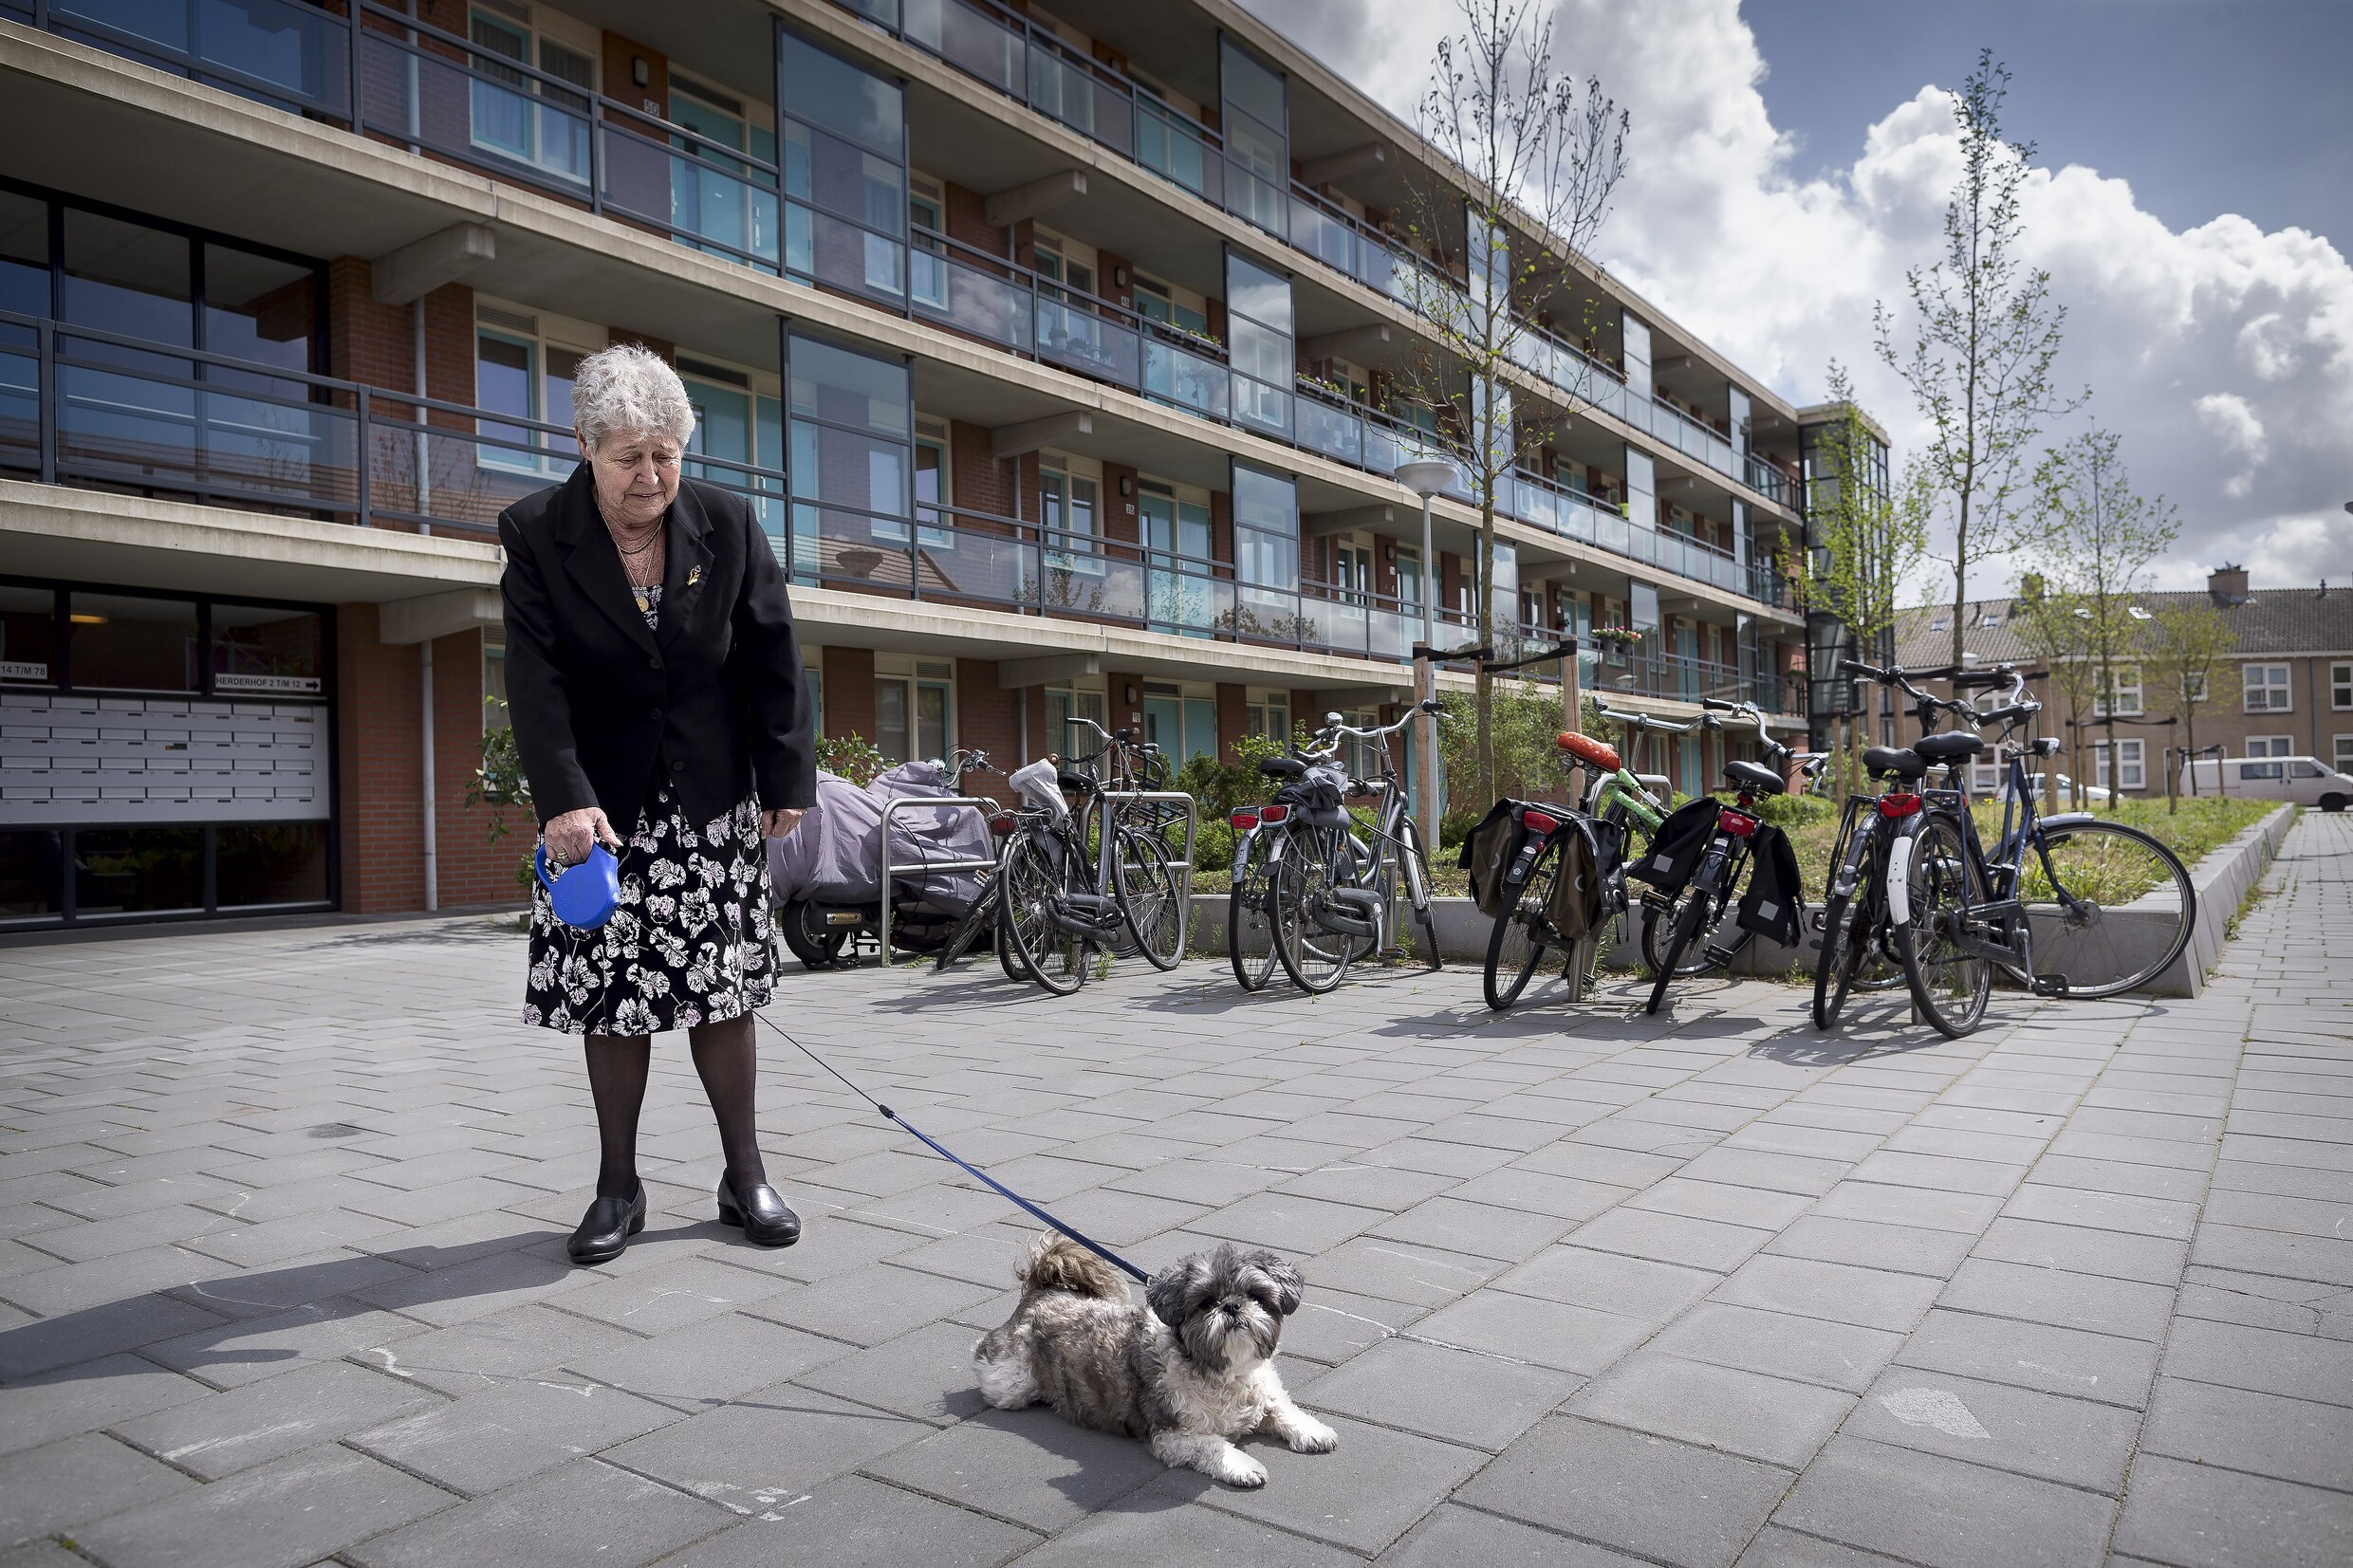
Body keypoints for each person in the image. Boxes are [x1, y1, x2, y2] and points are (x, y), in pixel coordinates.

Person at [498, 342, 814, 1265]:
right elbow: (534, 678)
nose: (652, 474)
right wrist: (561, 799)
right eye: (630, 456)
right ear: (585, 447)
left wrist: (786, 777)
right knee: (611, 999)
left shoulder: (726, 520)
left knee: (721, 993)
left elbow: (771, 654)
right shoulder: (535, 531)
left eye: (667, 452)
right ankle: (617, 1188)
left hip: (709, 798)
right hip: (600, 812)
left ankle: (743, 1175)